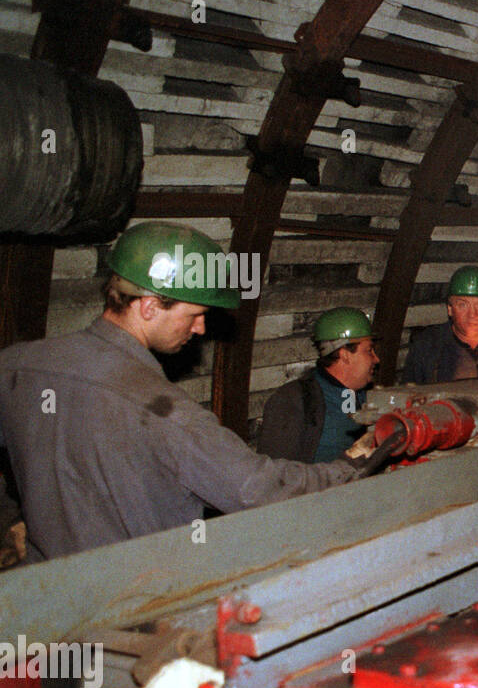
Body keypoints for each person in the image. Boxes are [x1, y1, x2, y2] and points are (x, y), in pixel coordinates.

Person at [0, 222, 360, 564]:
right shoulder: (168, 414)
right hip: (138, 607)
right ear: (150, 306)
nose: (201, 327)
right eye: (195, 314)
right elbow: (258, 490)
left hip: (43, 595)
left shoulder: (16, 366)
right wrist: (351, 467)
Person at [258, 308, 379, 463]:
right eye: (369, 351)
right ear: (345, 355)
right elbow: (277, 475)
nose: (376, 359)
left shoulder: (368, 396)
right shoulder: (293, 401)